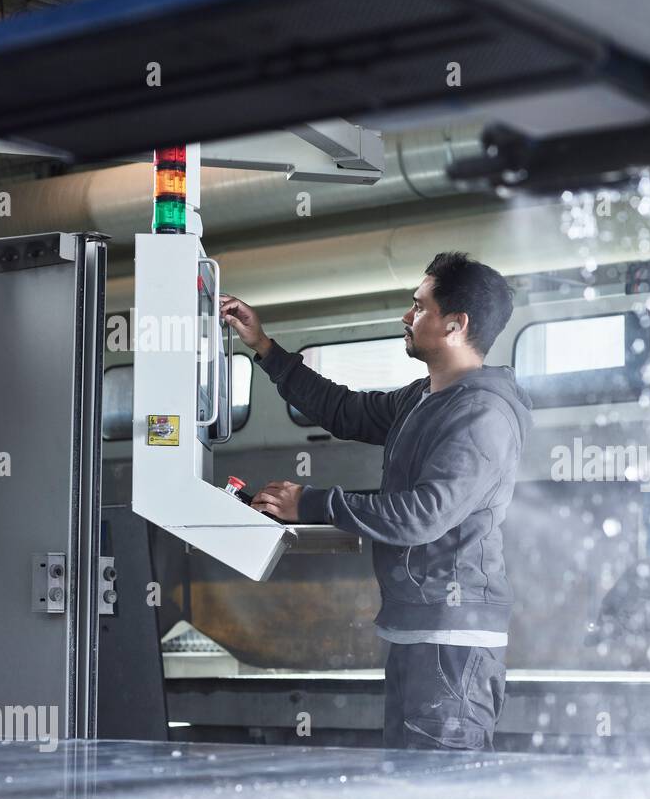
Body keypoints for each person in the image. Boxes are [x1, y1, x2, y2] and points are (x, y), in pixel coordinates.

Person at [220, 252, 533, 751]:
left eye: (418, 307)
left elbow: (421, 515)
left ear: (456, 323)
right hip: (419, 634)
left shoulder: (482, 416)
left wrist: (312, 503)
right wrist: (262, 347)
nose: (406, 318)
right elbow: (343, 410)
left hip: (452, 645)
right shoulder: (425, 397)